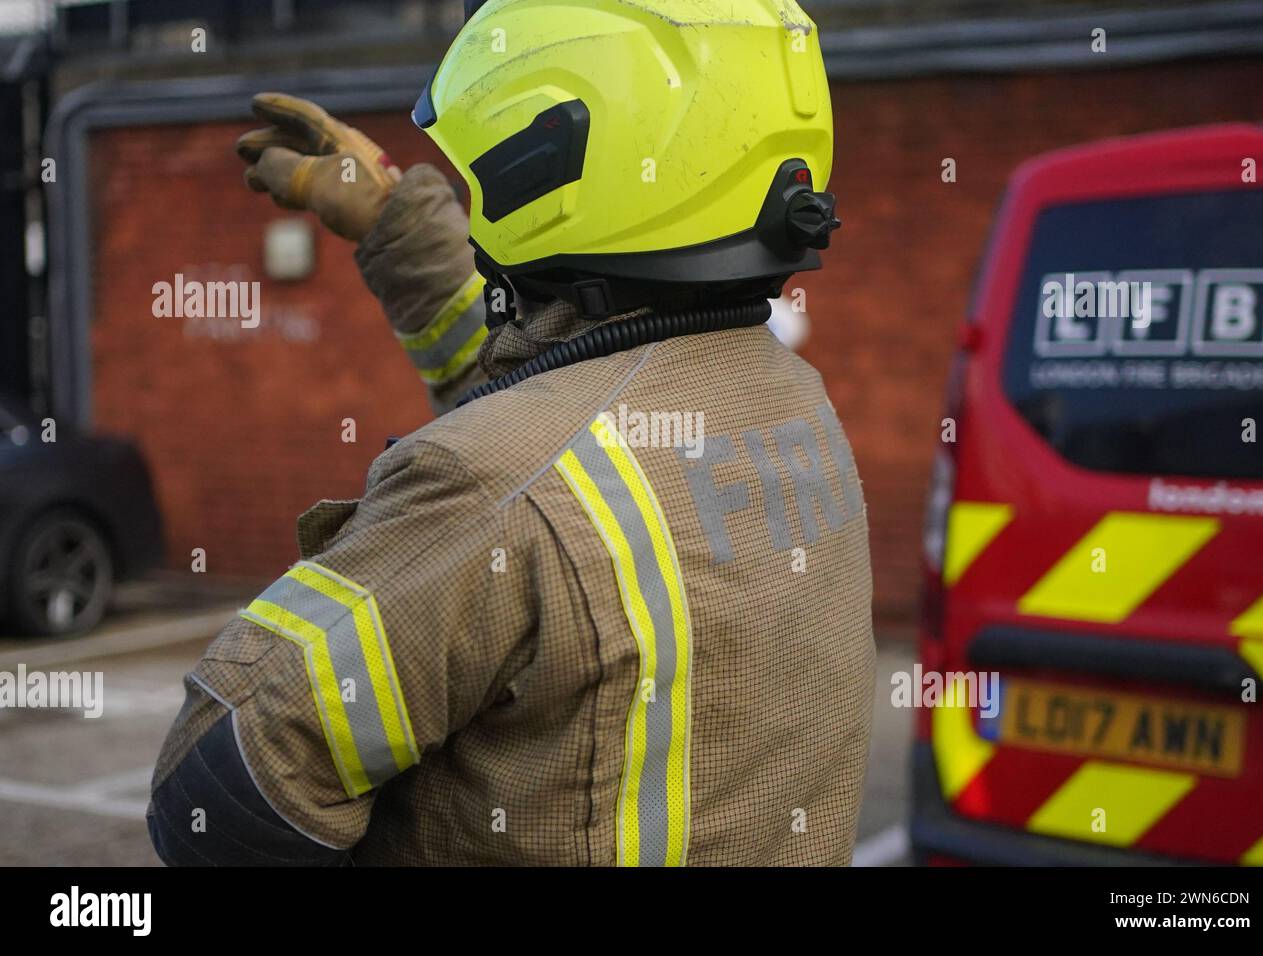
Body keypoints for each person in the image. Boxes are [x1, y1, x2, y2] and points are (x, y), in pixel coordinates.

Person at [148, 0, 875, 867]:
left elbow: (215, 784)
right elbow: (559, 398)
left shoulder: (488, 483)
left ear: (559, 172)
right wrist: (396, 221)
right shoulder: (789, 402)